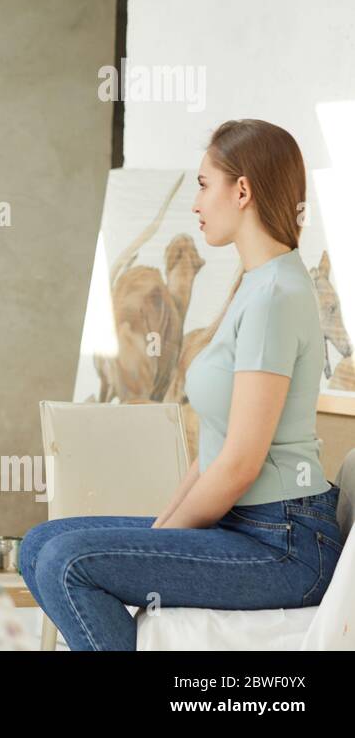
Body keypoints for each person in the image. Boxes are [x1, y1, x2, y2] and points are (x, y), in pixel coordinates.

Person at [21, 118, 344, 650]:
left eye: (202, 184)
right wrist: (157, 537)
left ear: (241, 190)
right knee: (38, 546)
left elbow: (240, 463)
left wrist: (161, 542)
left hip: (284, 543)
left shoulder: (275, 297)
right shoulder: (256, 283)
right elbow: (217, 444)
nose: (195, 203)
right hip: (250, 525)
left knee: (65, 561)